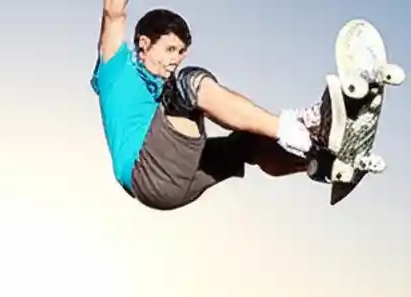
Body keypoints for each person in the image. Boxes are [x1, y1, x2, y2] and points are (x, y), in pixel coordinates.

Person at [91, 2, 334, 210]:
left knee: (249, 142)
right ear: (144, 43)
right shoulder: (116, 68)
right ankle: (297, 127)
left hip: (180, 182)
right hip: (147, 171)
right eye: (170, 50)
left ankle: (321, 160)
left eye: (181, 52)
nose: (174, 60)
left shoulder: (165, 90)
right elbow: (113, 13)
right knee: (189, 83)